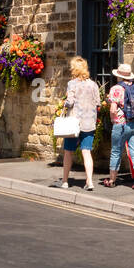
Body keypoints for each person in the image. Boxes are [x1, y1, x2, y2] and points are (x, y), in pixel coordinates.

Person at [58, 56, 101, 191]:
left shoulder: (72, 84)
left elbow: (70, 102)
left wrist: (64, 103)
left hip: (74, 123)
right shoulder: (93, 84)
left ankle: (65, 181)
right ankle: (89, 181)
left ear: (74, 69)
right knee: (86, 152)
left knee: (68, 152)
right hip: (89, 123)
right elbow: (98, 103)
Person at [104, 63, 134, 190]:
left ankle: (112, 180)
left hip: (121, 124)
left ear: (119, 76)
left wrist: (113, 120)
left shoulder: (116, 88)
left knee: (116, 151)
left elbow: (113, 109)